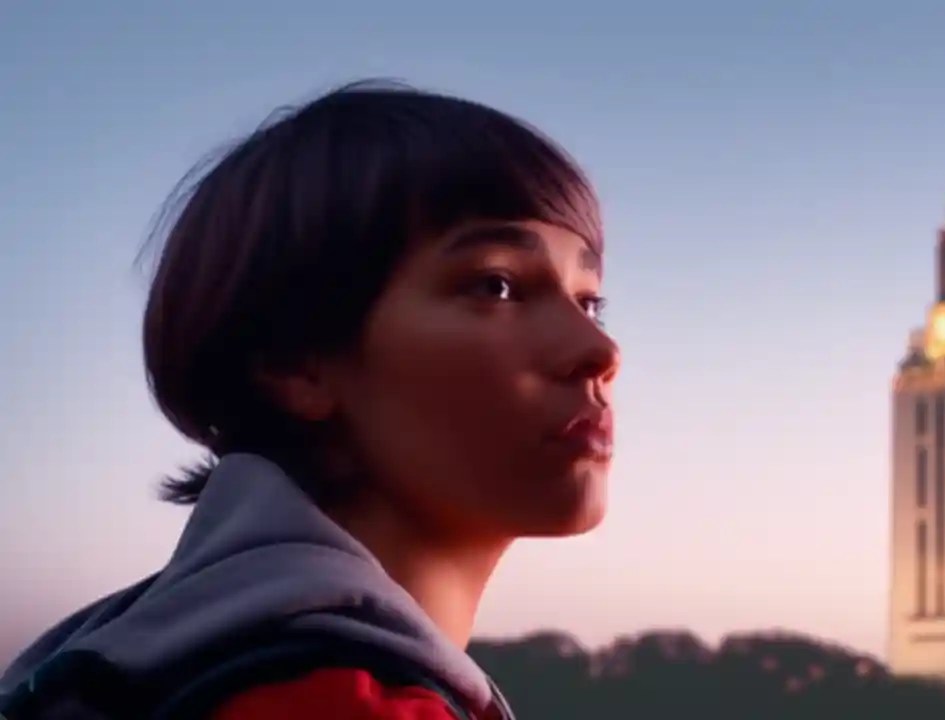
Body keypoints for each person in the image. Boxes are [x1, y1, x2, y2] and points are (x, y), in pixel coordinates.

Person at [0, 80, 620, 719]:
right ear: (294, 362)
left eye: (589, 300)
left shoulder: (139, 658)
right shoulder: (334, 703)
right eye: (497, 286)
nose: (600, 351)